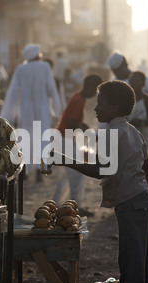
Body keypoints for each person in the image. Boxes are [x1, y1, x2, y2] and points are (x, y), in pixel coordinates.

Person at [52, 80, 148, 283]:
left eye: (101, 103)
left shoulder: (112, 134)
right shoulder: (132, 131)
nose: (95, 108)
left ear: (115, 108)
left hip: (132, 204)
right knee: (142, 267)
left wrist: (66, 160)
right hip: (144, 201)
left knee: (131, 266)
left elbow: (102, 170)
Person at [0, 43, 62, 182]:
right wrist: (56, 110)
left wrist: (9, 115)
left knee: (25, 138)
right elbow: (51, 89)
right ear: (37, 55)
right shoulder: (45, 67)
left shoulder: (20, 69)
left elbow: (13, 93)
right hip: (42, 108)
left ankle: (25, 171)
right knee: (42, 138)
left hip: (25, 109)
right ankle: (41, 170)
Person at [107, 52, 148, 177]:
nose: (116, 73)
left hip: (145, 136)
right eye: (114, 70)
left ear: (125, 64)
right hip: (124, 137)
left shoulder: (143, 81)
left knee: (147, 170)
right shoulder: (114, 85)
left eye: (118, 69)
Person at [52, 74, 103, 210]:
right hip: (65, 139)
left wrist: (88, 130)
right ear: (91, 87)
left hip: (63, 138)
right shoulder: (78, 99)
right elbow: (72, 123)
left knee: (64, 177)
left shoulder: (78, 97)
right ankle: (75, 207)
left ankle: (57, 205)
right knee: (77, 175)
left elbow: (77, 122)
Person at [128, 71, 148, 157]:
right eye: (131, 81)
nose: (132, 84)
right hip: (129, 141)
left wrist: (141, 122)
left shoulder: (146, 100)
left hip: (145, 141)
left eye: (135, 81)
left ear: (143, 84)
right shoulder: (126, 99)